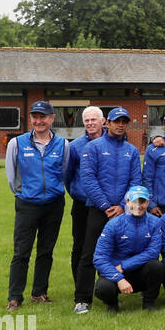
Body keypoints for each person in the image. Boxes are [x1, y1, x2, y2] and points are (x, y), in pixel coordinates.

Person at [4, 100, 71, 310]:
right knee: (21, 252)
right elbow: (11, 176)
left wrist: (53, 191)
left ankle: (39, 292)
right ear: (31, 119)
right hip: (27, 205)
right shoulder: (17, 143)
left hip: (54, 204)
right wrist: (23, 194)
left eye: (43, 117)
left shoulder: (63, 145)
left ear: (51, 119)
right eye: (35, 117)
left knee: (46, 251)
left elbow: (65, 173)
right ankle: (14, 297)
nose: (39, 121)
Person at [75, 106, 141, 315]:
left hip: (124, 211)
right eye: (116, 121)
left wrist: (122, 205)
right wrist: (105, 206)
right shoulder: (93, 147)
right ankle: (82, 299)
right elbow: (88, 179)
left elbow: (135, 180)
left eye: (124, 121)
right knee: (89, 254)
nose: (120, 125)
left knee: (123, 252)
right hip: (98, 210)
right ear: (107, 123)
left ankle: (118, 294)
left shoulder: (131, 150)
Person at [92, 186, 164, 313]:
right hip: (116, 271)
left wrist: (124, 266)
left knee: (156, 266)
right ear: (127, 202)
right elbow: (99, 258)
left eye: (142, 202)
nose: (138, 205)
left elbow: (153, 252)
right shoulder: (113, 225)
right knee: (102, 288)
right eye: (134, 201)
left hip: (138, 270)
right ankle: (112, 304)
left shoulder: (155, 223)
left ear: (147, 203)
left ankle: (149, 303)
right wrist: (118, 278)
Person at [65, 105, 104, 293]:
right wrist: (77, 193)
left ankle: (105, 285)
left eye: (93, 119)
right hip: (82, 205)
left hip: (105, 206)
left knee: (105, 246)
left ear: (103, 121)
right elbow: (68, 175)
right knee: (80, 247)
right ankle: (81, 287)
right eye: (86, 120)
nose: (89, 123)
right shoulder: (74, 147)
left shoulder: (113, 142)